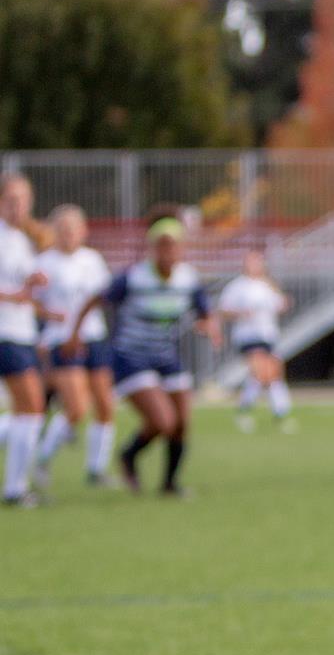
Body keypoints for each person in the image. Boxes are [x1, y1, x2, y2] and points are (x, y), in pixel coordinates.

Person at [69, 213, 221, 497]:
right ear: (153, 248)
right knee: (163, 421)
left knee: (182, 422)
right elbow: (94, 299)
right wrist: (75, 333)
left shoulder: (187, 279)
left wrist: (210, 327)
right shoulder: (134, 277)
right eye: (162, 245)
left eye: (173, 245)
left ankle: (169, 484)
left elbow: (205, 311)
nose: (168, 251)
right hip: (130, 357)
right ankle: (129, 455)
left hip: (165, 355)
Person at [32, 206, 115, 487]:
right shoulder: (44, 263)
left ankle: (96, 469)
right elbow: (31, 301)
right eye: (62, 229)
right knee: (77, 407)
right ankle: (42, 458)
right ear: (54, 231)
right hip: (62, 340)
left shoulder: (92, 260)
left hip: (94, 336)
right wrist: (48, 320)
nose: (68, 234)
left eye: (73, 228)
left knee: (104, 405)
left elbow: (103, 296)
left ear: (83, 231)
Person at [0, 191, 49, 507]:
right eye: (11, 201)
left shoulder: (20, 238)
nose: (19, 207)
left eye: (24, 200)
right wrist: (14, 295)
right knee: (32, 405)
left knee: (27, 410)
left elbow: (24, 288)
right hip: (4, 332)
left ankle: (17, 487)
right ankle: (15, 489)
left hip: (22, 331)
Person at [217, 249, 296, 433]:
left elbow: (280, 304)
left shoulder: (267, 285)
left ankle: (269, 412)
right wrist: (241, 313)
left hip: (268, 334)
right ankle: (276, 413)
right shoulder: (237, 286)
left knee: (270, 375)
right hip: (248, 335)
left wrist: (284, 303)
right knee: (262, 371)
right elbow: (224, 310)